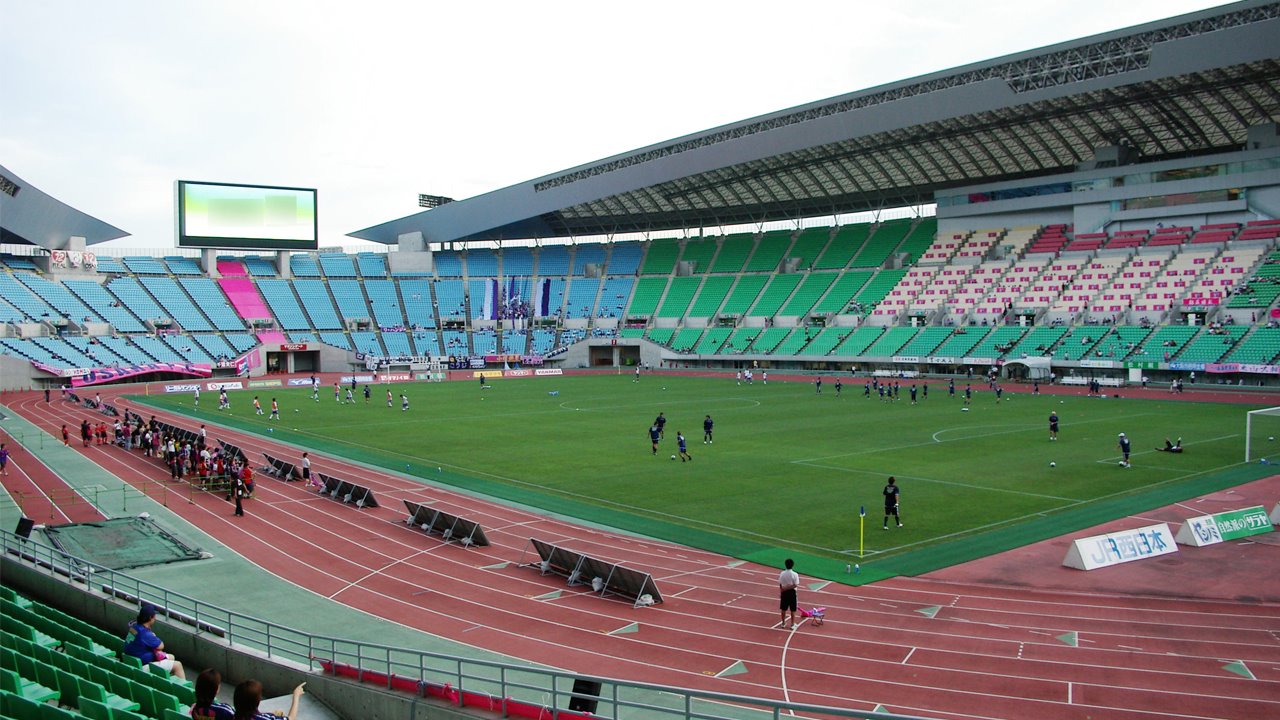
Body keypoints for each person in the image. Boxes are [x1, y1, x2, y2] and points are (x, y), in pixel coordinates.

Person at [123, 603, 186, 679]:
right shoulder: (145, 634)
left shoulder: (134, 627)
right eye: (154, 616)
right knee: (178, 665)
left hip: (132, 661)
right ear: (150, 617)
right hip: (143, 666)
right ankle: (184, 689)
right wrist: (153, 636)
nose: (155, 618)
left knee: (171, 657)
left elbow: (140, 639)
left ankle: (168, 682)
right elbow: (161, 646)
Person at [233, 679, 305, 720]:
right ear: (257, 701)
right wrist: (296, 695)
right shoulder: (267, 718)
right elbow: (291, 718)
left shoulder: (229, 714)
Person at [778, 558, 800, 630]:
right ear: (792, 565)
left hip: (784, 592)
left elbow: (780, 583)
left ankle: (783, 623)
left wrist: (782, 590)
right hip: (792, 592)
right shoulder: (795, 574)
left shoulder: (782, 573)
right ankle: (792, 624)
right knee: (793, 609)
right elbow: (795, 585)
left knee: (783, 608)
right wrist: (787, 588)